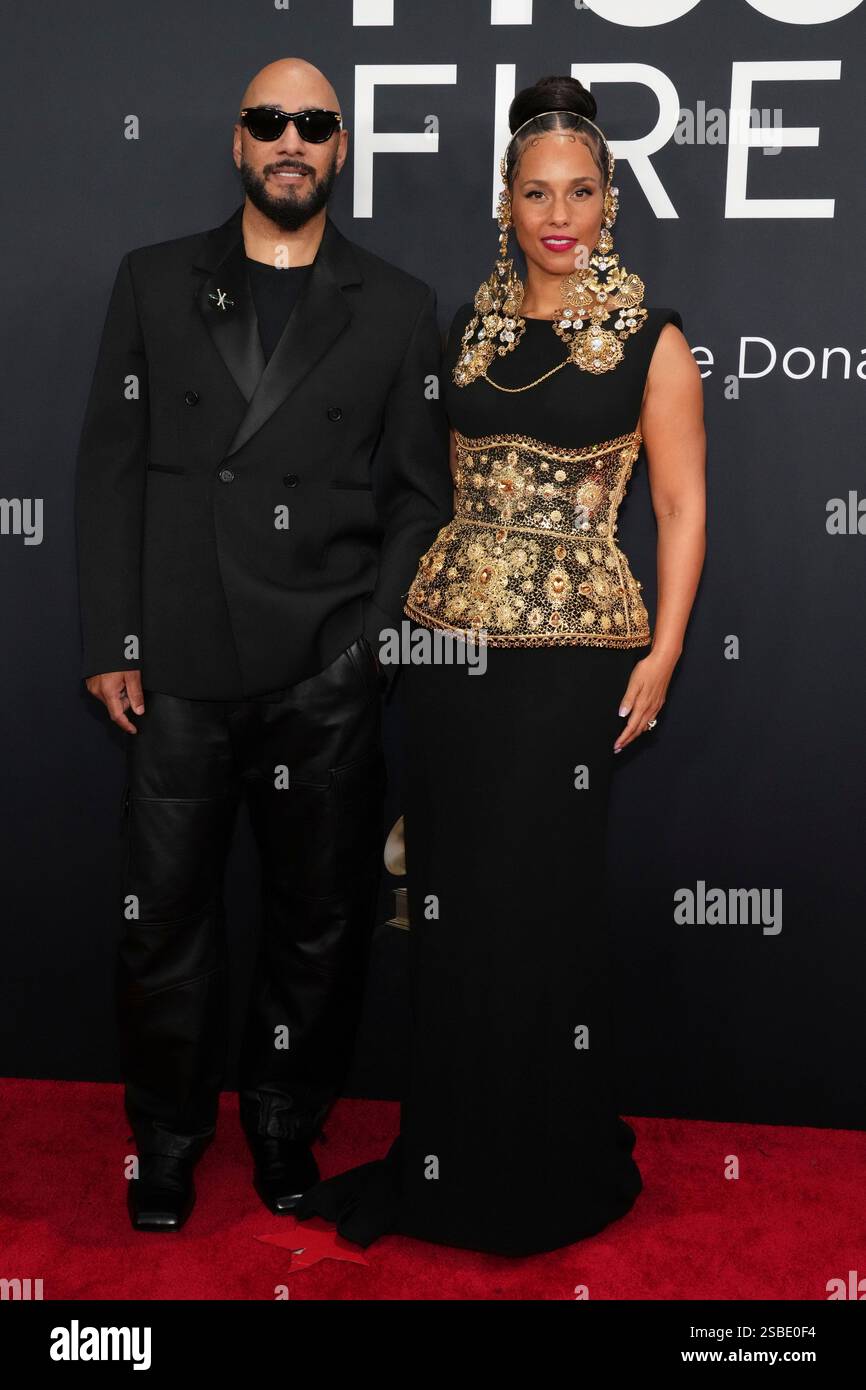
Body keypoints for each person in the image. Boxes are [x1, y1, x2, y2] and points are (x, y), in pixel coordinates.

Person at [294, 75, 706, 1256]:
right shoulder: (464, 329)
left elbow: (677, 507)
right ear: (506, 202)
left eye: (578, 190)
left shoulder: (648, 337)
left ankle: (543, 1155)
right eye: (536, 191)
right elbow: (418, 487)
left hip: (575, 665)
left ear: (610, 199)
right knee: (453, 906)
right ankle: (454, 1150)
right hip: (454, 660)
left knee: (541, 906)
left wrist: (667, 647)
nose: (557, 213)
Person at [74, 57, 452, 1231]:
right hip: (179, 661)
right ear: (238, 144)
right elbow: (109, 471)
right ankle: (171, 1140)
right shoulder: (151, 282)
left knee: (318, 922)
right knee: (165, 919)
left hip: (322, 668)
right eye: (268, 121)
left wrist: (371, 646)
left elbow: (417, 501)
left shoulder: (395, 306)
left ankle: (285, 1123)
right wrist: (111, 636)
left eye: (314, 123)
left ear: (342, 148)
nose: (291, 139)